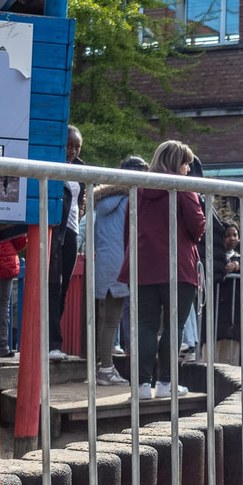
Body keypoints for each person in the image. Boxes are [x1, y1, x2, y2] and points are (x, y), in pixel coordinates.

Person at [117, 140, 204, 399]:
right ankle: (166, 383)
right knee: (174, 326)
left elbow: (127, 228)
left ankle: (142, 386)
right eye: (186, 164)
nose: (188, 169)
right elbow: (197, 227)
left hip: (143, 264)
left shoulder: (139, 188)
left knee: (144, 324)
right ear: (178, 163)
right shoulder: (182, 187)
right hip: (178, 266)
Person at [91, 156, 147, 386]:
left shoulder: (103, 201)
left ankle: (102, 366)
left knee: (103, 319)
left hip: (102, 263)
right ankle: (105, 369)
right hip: (120, 264)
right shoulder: (130, 199)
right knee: (112, 320)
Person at [47, 125, 84, 362]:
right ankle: (52, 343)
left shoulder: (81, 168)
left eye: (77, 146)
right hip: (55, 231)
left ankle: (52, 341)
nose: (72, 150)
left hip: (72, 231)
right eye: (69, 145)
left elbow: (79, 200)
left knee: (63, 290)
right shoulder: (52, 164)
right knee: (52, 286)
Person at [206, 222, 243, 365]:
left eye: (235, 235)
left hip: (233, 313)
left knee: (230, 357)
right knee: (211, 353)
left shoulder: (241, 256)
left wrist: (237, 265)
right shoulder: (213, 255)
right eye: (227, 236)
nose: (232, 239)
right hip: (214, 309)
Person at [0, 233, 27, 359]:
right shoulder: (10, 213)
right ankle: (2, 346)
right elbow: (20, 241)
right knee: (3, 305)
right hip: (6, 261)